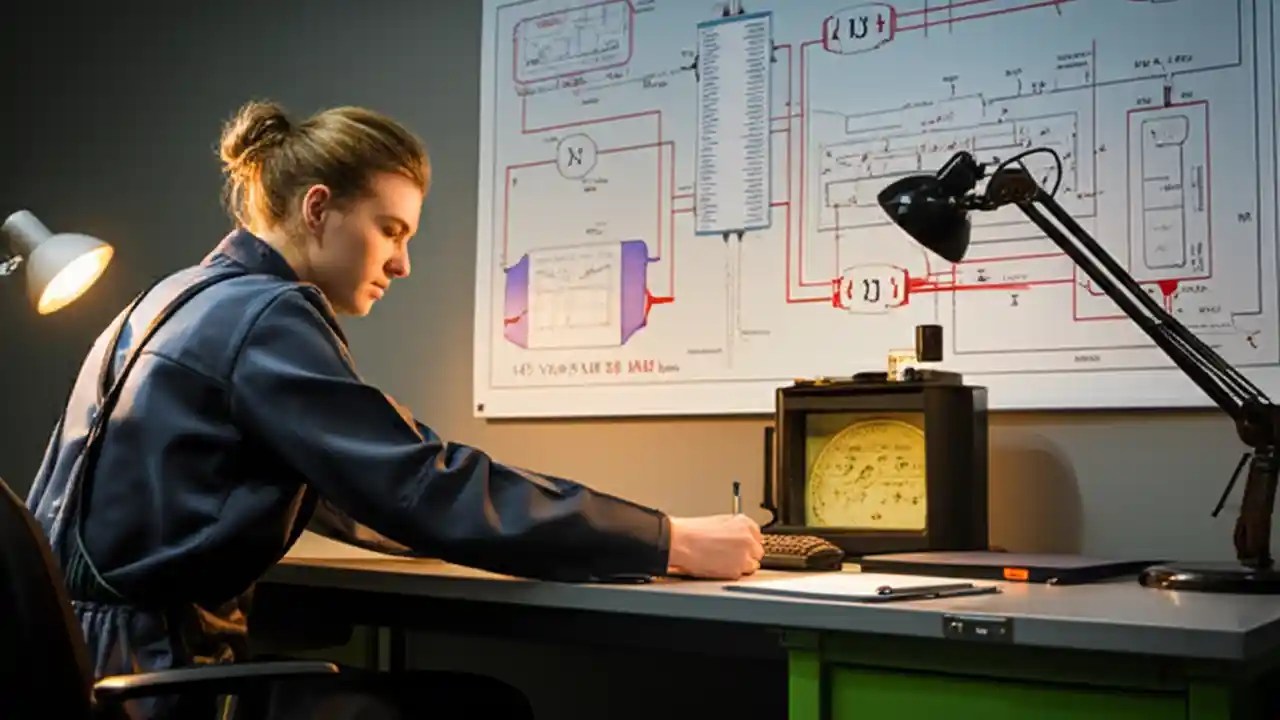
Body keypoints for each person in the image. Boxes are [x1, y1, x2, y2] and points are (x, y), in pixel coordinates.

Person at [25, 99, 764, 719]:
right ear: (319, 208)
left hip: (89, 673)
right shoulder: (267, 316)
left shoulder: (165, 301)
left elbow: (365, 488)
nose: (403, 263)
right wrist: (668, 539)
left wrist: (558, 530)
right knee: (478, 707)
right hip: (163, 687)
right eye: (393, 230)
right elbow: (423, 485)